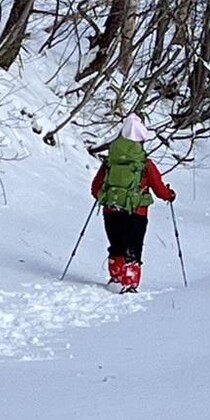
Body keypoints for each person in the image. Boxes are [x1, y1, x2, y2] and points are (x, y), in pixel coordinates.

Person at [91, 114, 175, 293]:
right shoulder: (145, 164)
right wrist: (170, 195)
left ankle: (116, 278)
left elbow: (95, 188)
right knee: (133, 248)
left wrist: (108, 197)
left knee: (116, 245)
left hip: (111, 211)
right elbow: (159, 189)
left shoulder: (110, 162)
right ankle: (129, 283)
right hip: (137, 213)